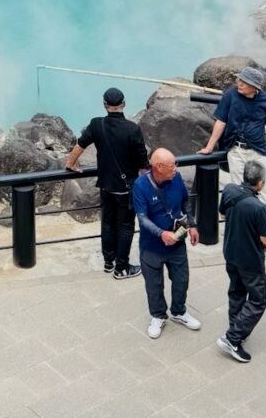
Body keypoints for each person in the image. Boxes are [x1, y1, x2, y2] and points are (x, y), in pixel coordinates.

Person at [64, 87, 149, 278]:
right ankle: (122, 268)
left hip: (105, 186)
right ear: (124, 104)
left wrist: (70, 164)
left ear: (105, 105)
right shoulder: (133, 129)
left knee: (108, 223)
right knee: (126, 226)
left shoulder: (96, 125)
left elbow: (79, 145)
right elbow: (143, 164)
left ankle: (108, 262)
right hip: (126, 189)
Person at [202, 66, 266, 240]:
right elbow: (221, 121)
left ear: (255, 87)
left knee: (265, 193)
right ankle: (246, 231)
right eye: (239, 80)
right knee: (240, 191)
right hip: (236, 149)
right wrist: (210, 147)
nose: (238, 83)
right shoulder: (230, 95)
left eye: (243, 82)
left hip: (257, 149)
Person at [131, 148, 201, 337]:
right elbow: (142, 218)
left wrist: (192, 225)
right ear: (158, 167)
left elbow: (185, 203)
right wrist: (162, 234)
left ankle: (179, 311)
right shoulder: (140, 185)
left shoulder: (176, 179)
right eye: (172, 165)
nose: (176, 169)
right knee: (154, 284)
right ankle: (158, 315)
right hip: (151, 245)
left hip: (177, 242)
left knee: (182, 279)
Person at [216, 158, 266, 363]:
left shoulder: (229, 191)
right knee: (259, 300)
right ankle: (232, 338)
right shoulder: (258, 208)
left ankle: (237, 328)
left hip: (231, 252)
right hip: (250, 259)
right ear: (259, 183)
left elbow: (223, 212)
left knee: (237, 292)